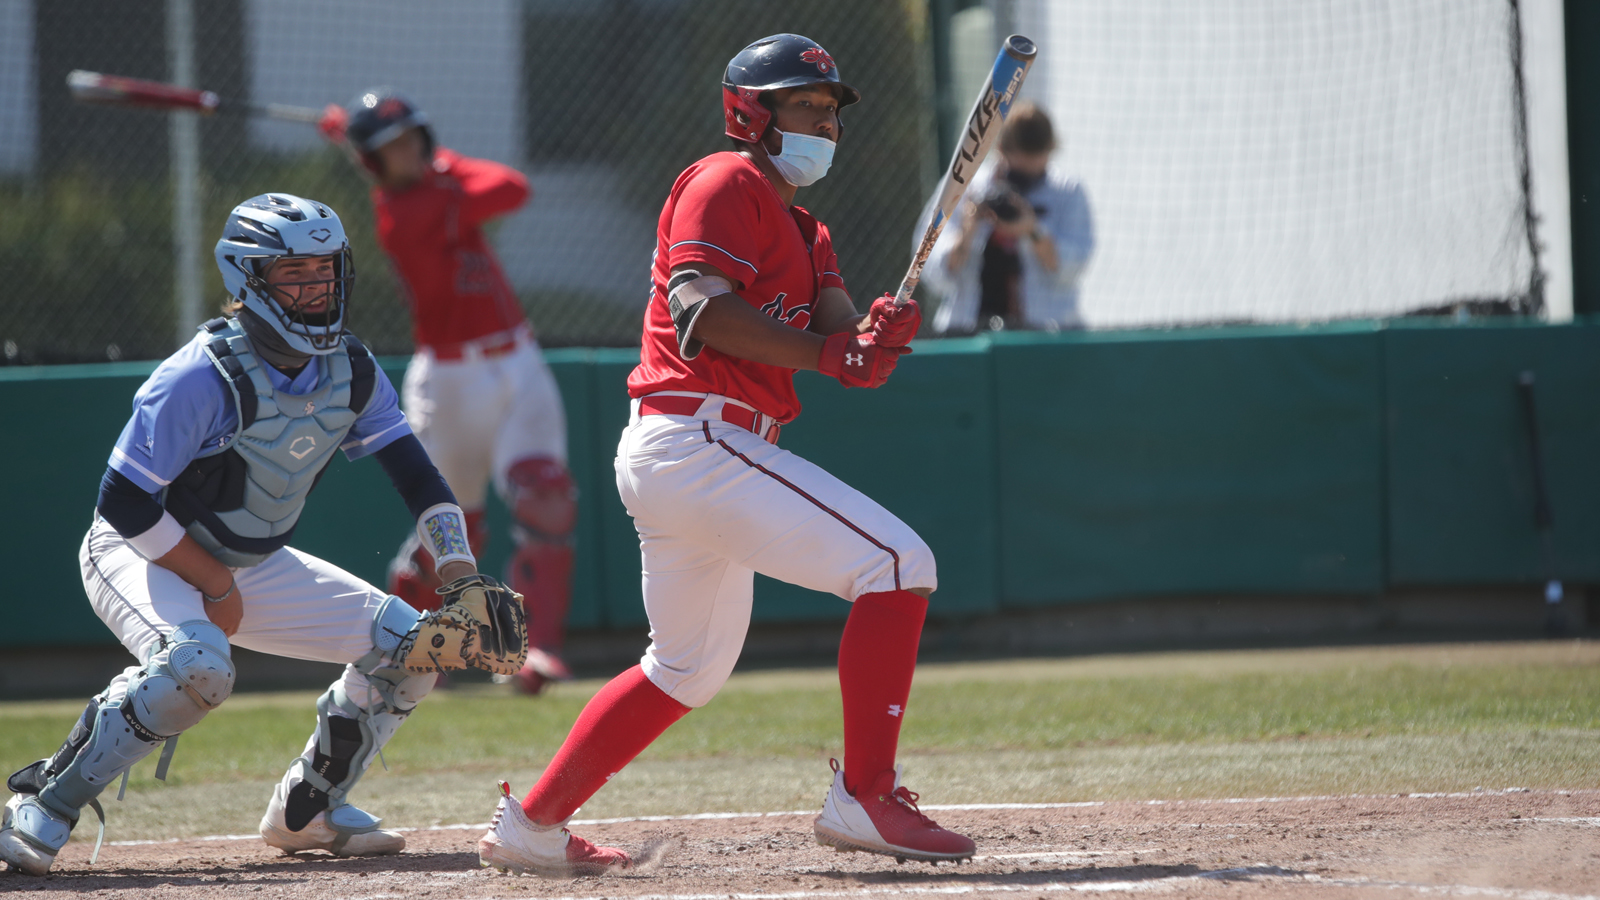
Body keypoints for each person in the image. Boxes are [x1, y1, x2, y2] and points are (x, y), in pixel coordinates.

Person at [474, 34, 977, 876]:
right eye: (803, 105)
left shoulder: (807, 230)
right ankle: (867, 795)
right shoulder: (725, 179)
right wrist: (835, 354)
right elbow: (702, 311)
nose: (822, 121)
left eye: (828, 109)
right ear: (750, 112)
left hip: (701, 451)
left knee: (684, 669)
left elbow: (846, 350)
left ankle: (531, 825)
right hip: (696, 437)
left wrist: (876, 338)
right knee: (898, 564)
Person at [0, 194, 523, 876]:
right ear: (248, 279)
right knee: (197, 668)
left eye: (325, 272)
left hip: (248, 562)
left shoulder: (353, 368)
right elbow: (125, 502)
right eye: (294, 274)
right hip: (140, 550)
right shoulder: (200, 373)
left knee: (415, 647)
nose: (315, 289)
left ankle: (308, 808)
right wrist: (214, 583)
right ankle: (45, 800)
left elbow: (419, 478)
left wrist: (461, 576)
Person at [318, 90, 576, 695]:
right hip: (452, 379)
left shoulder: (434, 188)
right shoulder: (405, 215)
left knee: (546, 497)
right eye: (390, 149)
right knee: (452, 528)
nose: (408, 154)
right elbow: (509, 187)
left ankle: (535, 650)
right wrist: (407, 160)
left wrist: (371, 145)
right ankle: (401, 642)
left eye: (412, 140)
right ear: (372, 164)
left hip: (517, 356)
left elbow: (507, 186)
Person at [922, 100, 1094, 333]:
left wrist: (1032, 231)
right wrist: (967, 232)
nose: (1028, 175)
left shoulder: (1068, 191)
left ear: (1051, 148)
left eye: (1037, 162)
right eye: (1020, 165)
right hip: (968, 327)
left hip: (1048, 331)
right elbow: (931, 269)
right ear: (1001, 149)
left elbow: (1073, 267)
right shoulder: (966, 188)